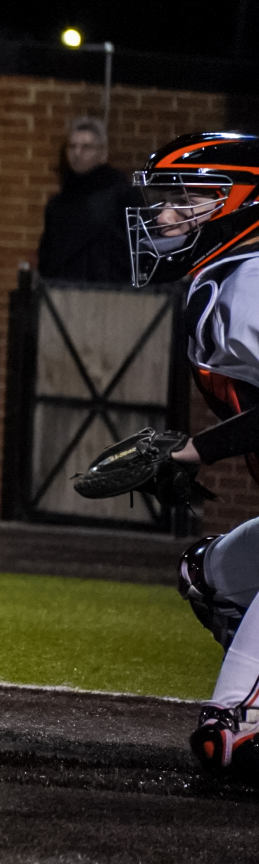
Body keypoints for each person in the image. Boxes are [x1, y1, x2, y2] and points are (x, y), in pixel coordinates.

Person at [96, 132, 259, 779]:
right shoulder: (231, 277)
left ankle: (244, 717)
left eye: (188, 199)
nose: (164, 215)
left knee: (232, 743)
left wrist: (196, 450)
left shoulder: (251, 281)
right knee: (212, 578)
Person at [37, 116, 135, 283]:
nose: (77, 153)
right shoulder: (58, 205)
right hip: (63, 289)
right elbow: (48, 256)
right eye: (72, 146)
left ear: (102, 153)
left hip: (108, 289)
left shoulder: (121, 197)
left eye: (86, 147)